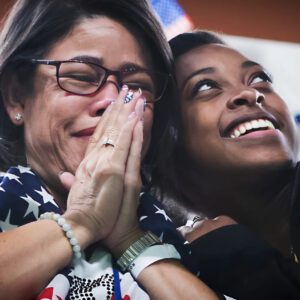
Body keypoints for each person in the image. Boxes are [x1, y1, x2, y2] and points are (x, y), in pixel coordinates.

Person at [0, 2, 219, 299]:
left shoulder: (191, 239)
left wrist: (131, 240)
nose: (114, 100)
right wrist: (81, 221)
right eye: (81, 77)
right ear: (16, 97)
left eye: (137, 85)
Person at [153, 30, 300, 299]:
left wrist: (238, 257)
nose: (249, 92)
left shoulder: (224, 254)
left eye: (260, 78)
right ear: (163, 154)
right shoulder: (175, 274)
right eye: (206, 86)